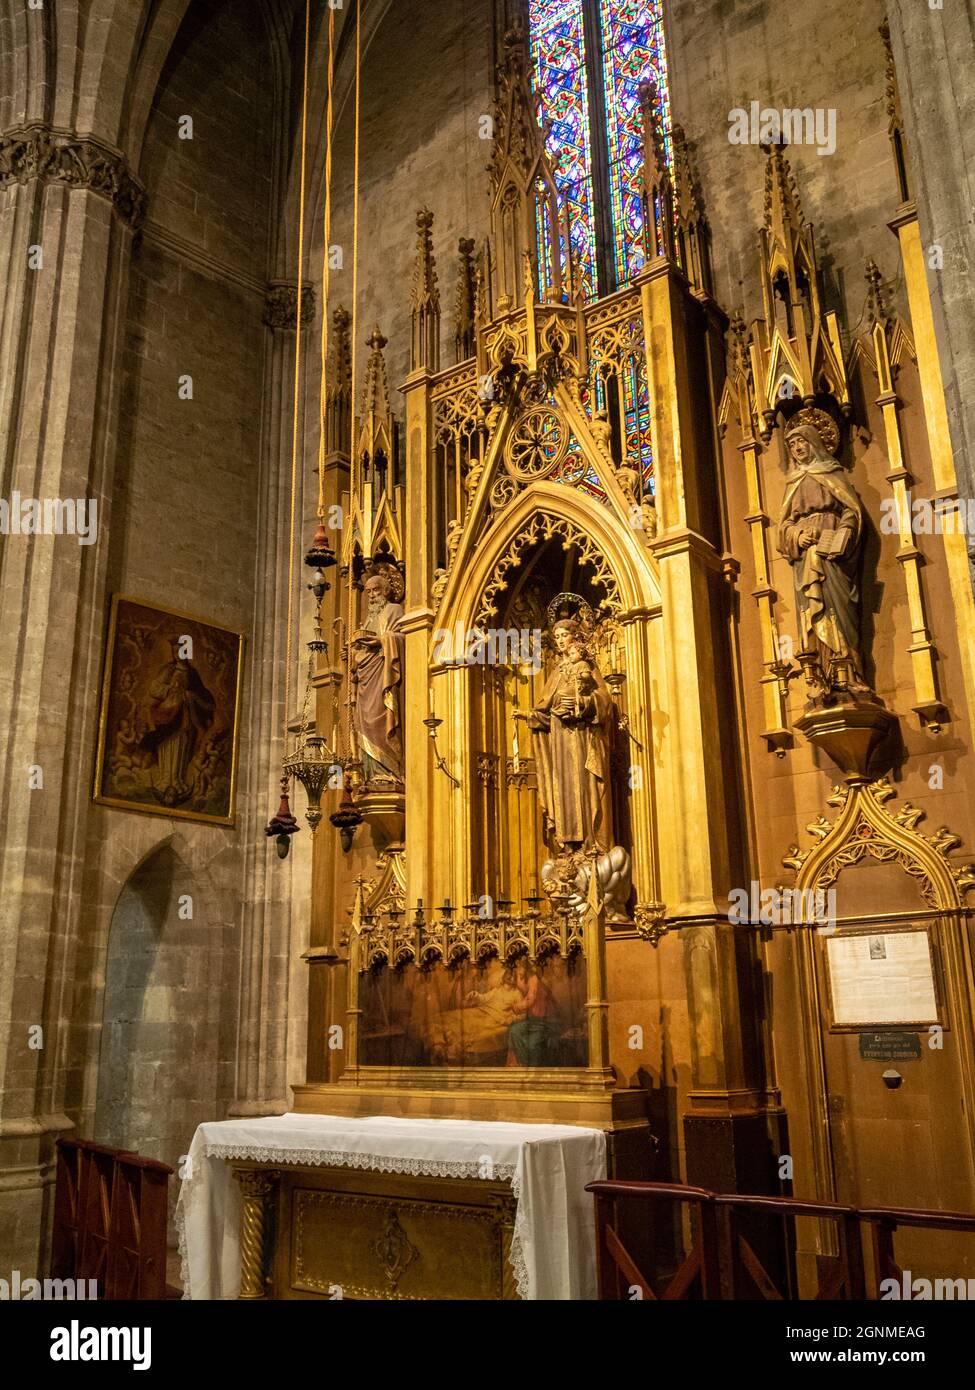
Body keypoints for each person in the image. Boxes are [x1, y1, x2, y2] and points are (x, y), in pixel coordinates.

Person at [776, 421, 867, 689]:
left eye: (801, 441)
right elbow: (784, 526)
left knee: (839, 608)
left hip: (833, 553)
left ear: (813, 442)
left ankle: (850, 674)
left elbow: (852, 510)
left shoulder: (832, 474)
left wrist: (844, 532)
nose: (797, 448)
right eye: (791, 445)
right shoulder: (792, 483)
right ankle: (823, 677)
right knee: (813, 609)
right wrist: (796, 536)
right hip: (806, 558)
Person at [528, 618, 614, 851]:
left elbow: (605, 703)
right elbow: (547, 709)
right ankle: (568, 847)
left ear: (575, 637)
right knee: (563, 788)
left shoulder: (587, 666)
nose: (560, 641)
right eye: (556, 638)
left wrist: (583, 703)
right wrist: (534, 717)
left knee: (584, 787)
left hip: (582, 737)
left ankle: (590, 844)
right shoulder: (556, 672)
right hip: (559, 740)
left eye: (564, 636)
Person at [350, 571, 405, 782]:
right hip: (366, 679)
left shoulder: (394, 610)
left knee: (380, 720)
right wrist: (353, 653)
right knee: (364, 722)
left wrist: (383, 641)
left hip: (384, 676)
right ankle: (370, 774)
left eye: (376, 590)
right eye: (368, 592)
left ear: (386, 591)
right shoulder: (368, 619)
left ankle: (389, 773)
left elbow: (405, 638)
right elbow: (361, 649)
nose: (372, 595)